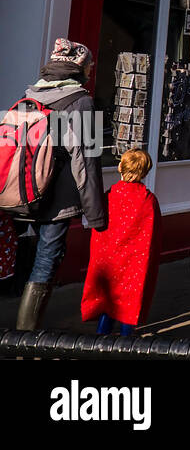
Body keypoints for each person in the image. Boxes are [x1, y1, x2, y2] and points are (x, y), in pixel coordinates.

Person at [10, 38, 107, 331]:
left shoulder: (30, 94)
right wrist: (96, 214)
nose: (91, 70)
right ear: (79, 67)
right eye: (89, 65)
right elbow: (87, 161)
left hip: (20, 192)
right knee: (45, 261)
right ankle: (26, 337)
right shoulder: (82, 101)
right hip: (57, 199)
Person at [81, 148, 161, 336]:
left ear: (119, 167)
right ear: (145, 172)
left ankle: (102, 336)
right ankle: (126, 339)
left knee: (108, 298)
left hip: (108, 257)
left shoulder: (110, 195)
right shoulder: (147, 200)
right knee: (129, 299)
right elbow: (153, 232)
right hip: (135, 260)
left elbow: (99, 226)